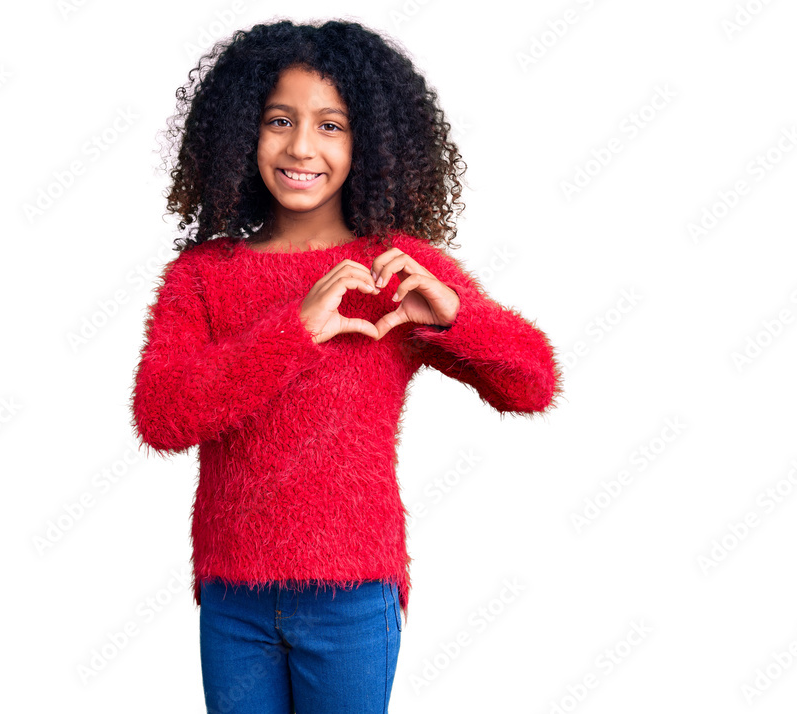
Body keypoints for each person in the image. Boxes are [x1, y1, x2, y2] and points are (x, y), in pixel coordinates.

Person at [130, 18, 563, 713]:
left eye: (331, 125)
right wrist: (295, 330)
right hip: (233, 601)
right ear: (243, 129)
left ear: (370, 142)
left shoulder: (395, 270)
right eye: (279, 120)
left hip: (352, 601)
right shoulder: (202, 276)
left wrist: (457, 317)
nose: (302, 146)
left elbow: (531, 383)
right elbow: (163, 415)